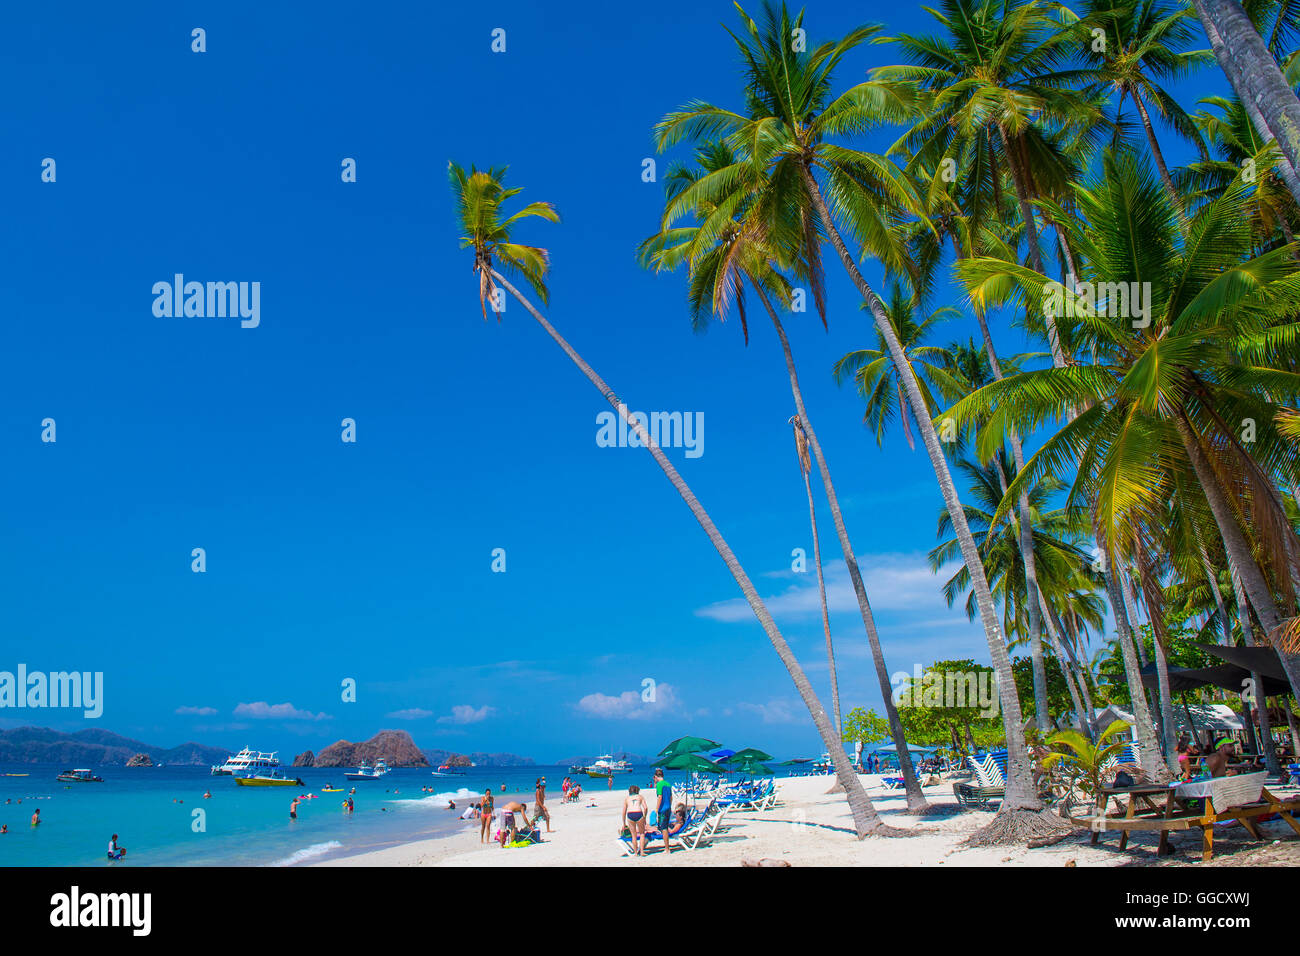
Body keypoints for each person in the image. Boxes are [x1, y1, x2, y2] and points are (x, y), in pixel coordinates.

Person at [621, 784, 649, 856]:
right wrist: (644, 817)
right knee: (642, 833)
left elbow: (624, 812)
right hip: (639, 813)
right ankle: (642, 852)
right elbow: (645, 808)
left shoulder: (627, 799)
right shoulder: (640, 797)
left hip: (630, 814)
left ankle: (636, 853)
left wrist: (624, 823)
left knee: (634, 835)